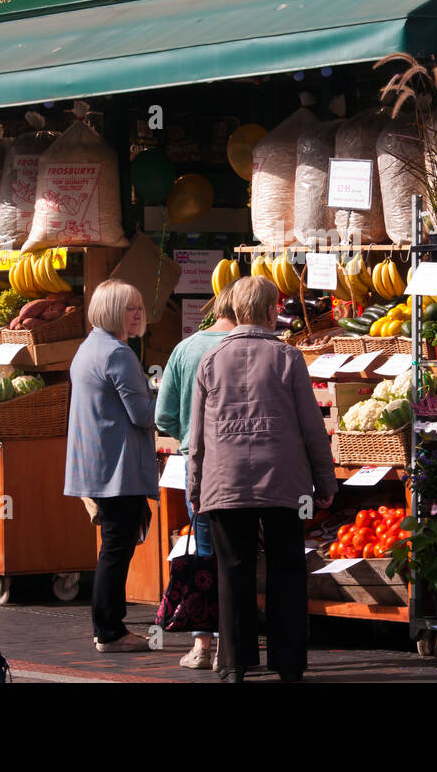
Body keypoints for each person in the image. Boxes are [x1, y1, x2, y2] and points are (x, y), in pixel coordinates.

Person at [189, 275, 337, 682]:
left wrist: (195, 488)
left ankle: (235, 663)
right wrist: (325, 483)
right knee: (286, 570)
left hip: (225, 481)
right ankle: (288, 664)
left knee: (232, 571)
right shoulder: (288, 358)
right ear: (272, 311)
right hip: (283, 483)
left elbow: (197, 436)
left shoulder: (210, 360)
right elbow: (312, 429)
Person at [65, 278, 158, 653]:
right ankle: (110, 630)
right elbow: (142, 413)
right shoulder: (118, 353)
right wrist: (169, 396)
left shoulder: (89, 348)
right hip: (118, 469)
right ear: (110, 312)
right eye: (129, 309)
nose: (136, 315)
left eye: (138, 307)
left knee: (113, 546)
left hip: (97, 465)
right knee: (117, 548)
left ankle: (109, 625)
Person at [155, 286, 237, 670]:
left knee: (205, 552)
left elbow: (163, 415)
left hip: (199, 467)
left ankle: (203, 646)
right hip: (245, 468)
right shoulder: (253, 346)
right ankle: (232, 645)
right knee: (238, 555)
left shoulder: (186, 349)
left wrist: (187, 435)